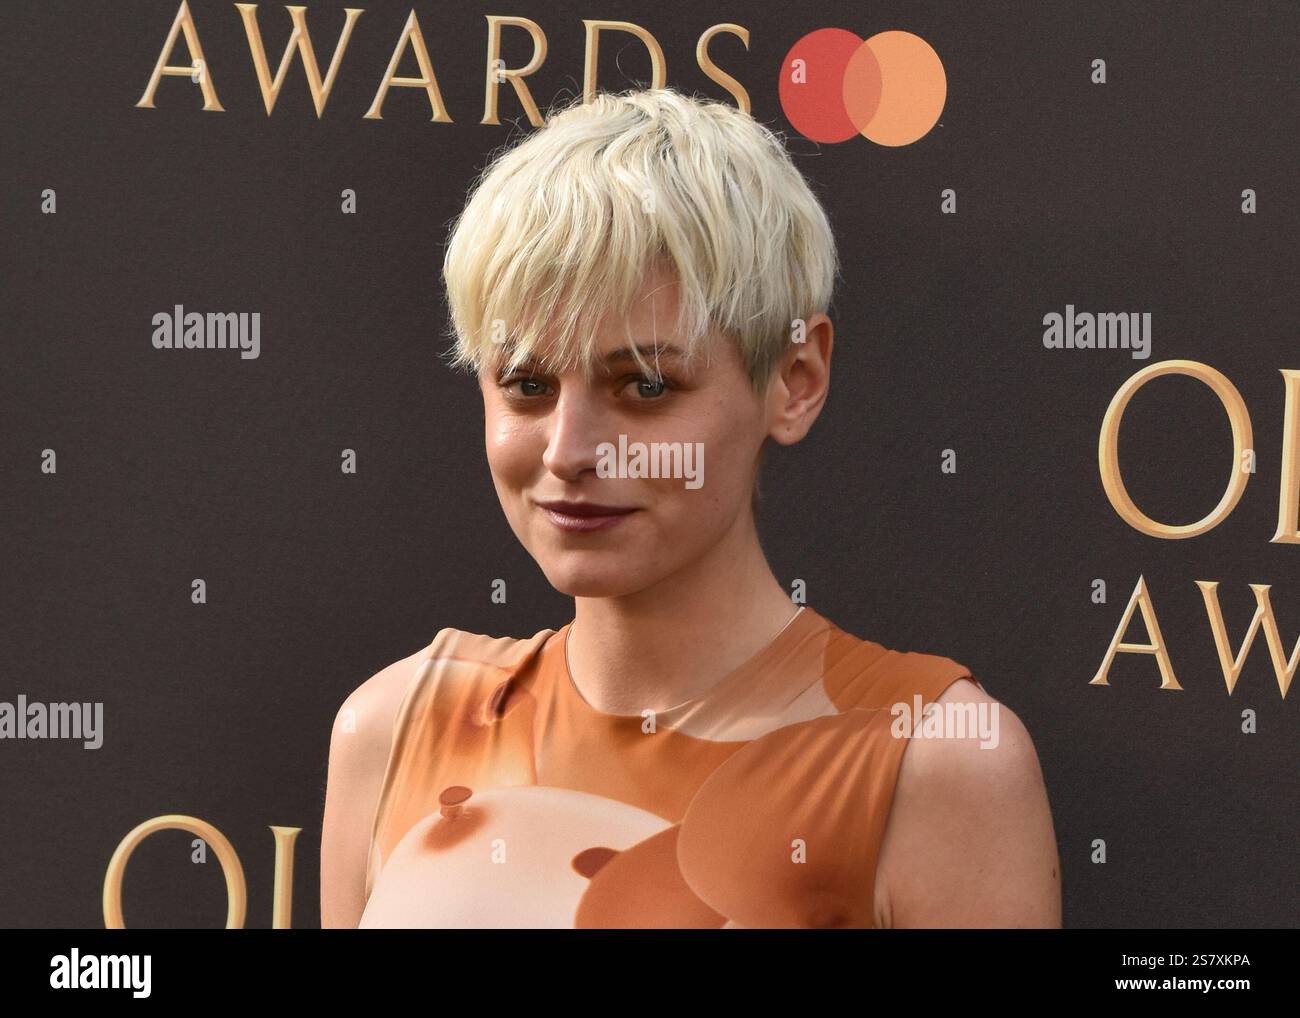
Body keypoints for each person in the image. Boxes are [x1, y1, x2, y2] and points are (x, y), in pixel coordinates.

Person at [320, 87, 1061, 928]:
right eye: (526, 386)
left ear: (795, 380)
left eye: (644, 386)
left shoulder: (933, 763)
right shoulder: (392, 731)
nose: (569, 450)